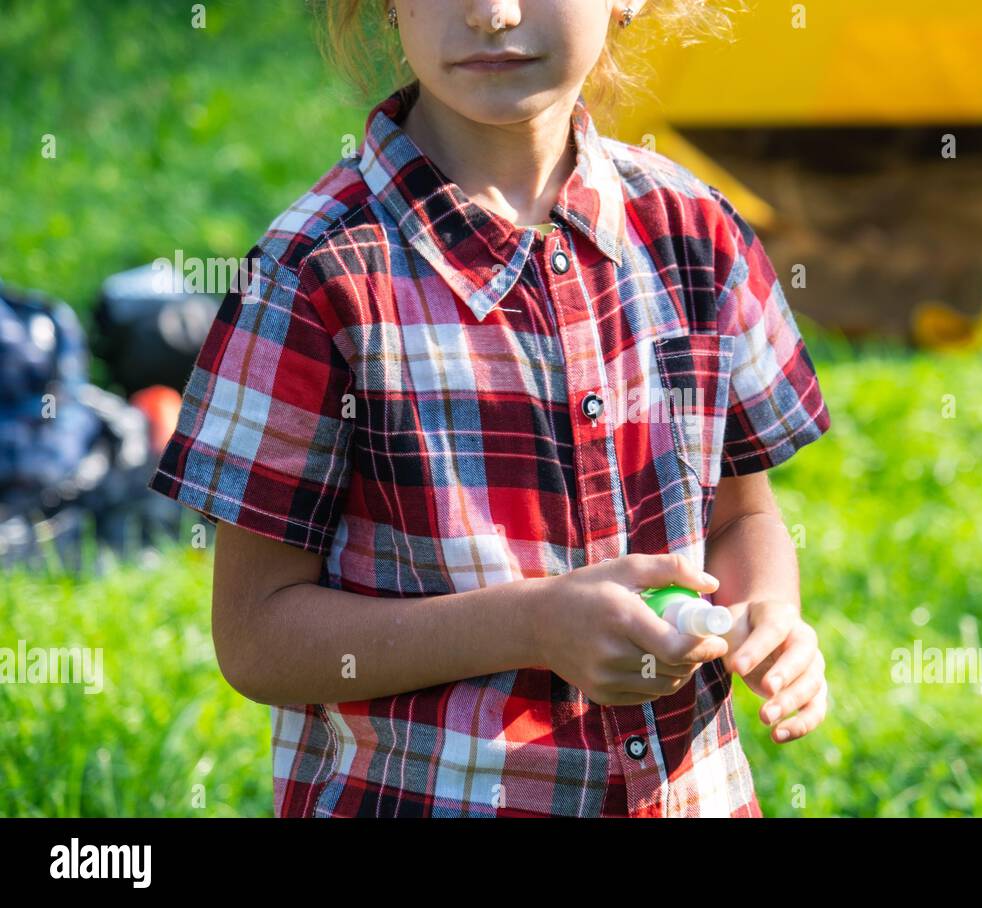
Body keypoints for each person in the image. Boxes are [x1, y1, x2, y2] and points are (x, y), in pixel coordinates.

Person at [147, 0, 831, 818]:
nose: (493, 13)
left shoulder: (697, 233)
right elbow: (258, 637)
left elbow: (740, 518)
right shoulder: (313, 277)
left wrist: (769, 620)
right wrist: (533, 626)